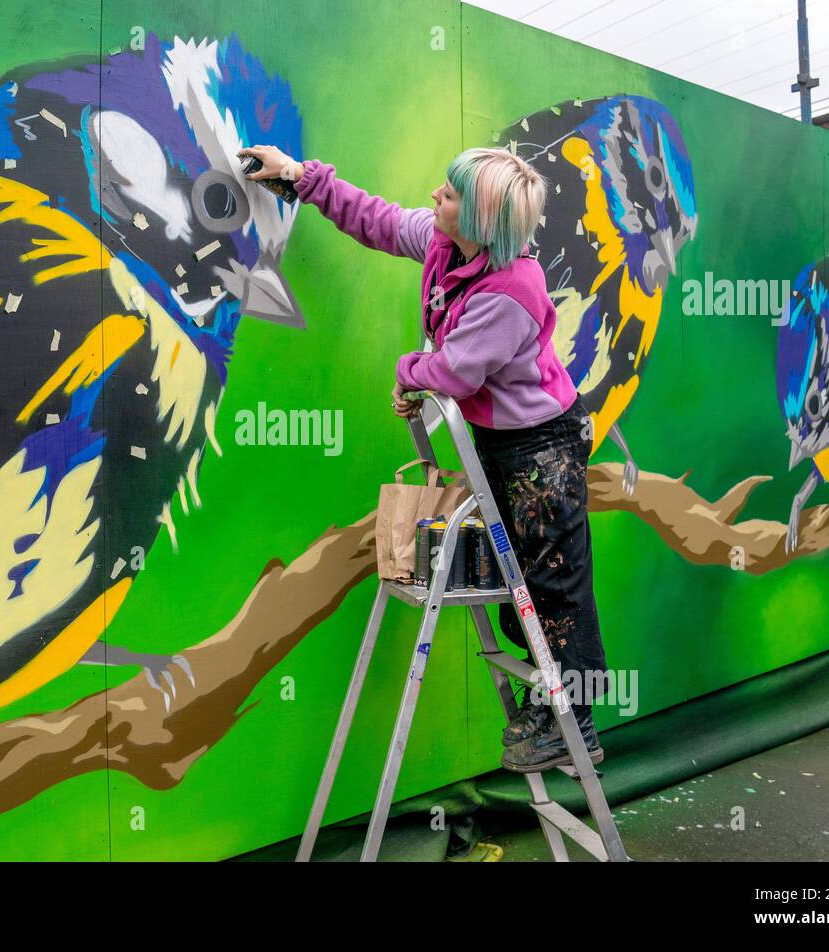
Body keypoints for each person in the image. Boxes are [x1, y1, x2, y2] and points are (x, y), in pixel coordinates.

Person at [238, 144, 609, 773]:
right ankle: (547, 700)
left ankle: (575, 720)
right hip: (500, 438)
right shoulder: (447, 245)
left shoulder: (511, 290)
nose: (437, 195)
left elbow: (455, 370)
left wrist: (408, 372)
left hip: (542, 446)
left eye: (451, 193)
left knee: (555, 585)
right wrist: (300, 177)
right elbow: (377, 219)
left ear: (483, 221)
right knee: (513, 576)